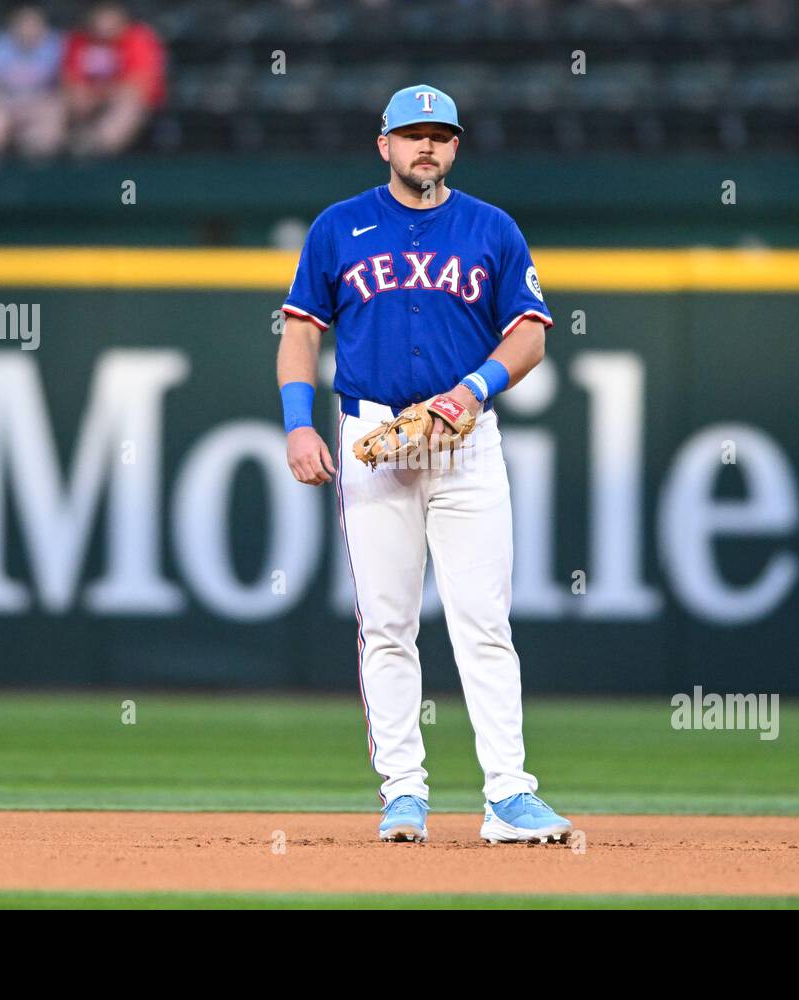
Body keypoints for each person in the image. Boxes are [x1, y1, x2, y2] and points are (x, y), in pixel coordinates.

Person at [276, 85, 572, 844]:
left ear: (456, 146)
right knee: (386, 624)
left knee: (484, 623)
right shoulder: (339, 227)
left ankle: (508, 795)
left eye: (440, 135)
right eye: (412, 134)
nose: (426, 147)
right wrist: (297, 427)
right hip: (373, 438)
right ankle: (403, 792)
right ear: (385, 146)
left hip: (464, 442)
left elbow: (531, 335)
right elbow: (301, 332)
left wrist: (474, 389)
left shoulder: (491, 228)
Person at [61, 2, 166, 156]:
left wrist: (100, 94)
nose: (103, 22)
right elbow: (70, 78)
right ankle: (45, 153)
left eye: (108, 16)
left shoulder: (137, 37)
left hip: (131, 103)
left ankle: (96, 148)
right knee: (53, 103)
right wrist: (82, 96)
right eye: (99, 16)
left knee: (126, 106)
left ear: (120, 17)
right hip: (86, 103)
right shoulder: (79, 40)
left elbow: (137, 86)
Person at [0, 5, 66, 160]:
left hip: (42, 104)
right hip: (5, 104)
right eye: (23, 24)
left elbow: (65, 85)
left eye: (33, 24)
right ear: (13, 26)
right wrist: (2, 104)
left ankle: (40, 177)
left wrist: (35, 105)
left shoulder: (58, 45)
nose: (28, 29)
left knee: (47, 128)